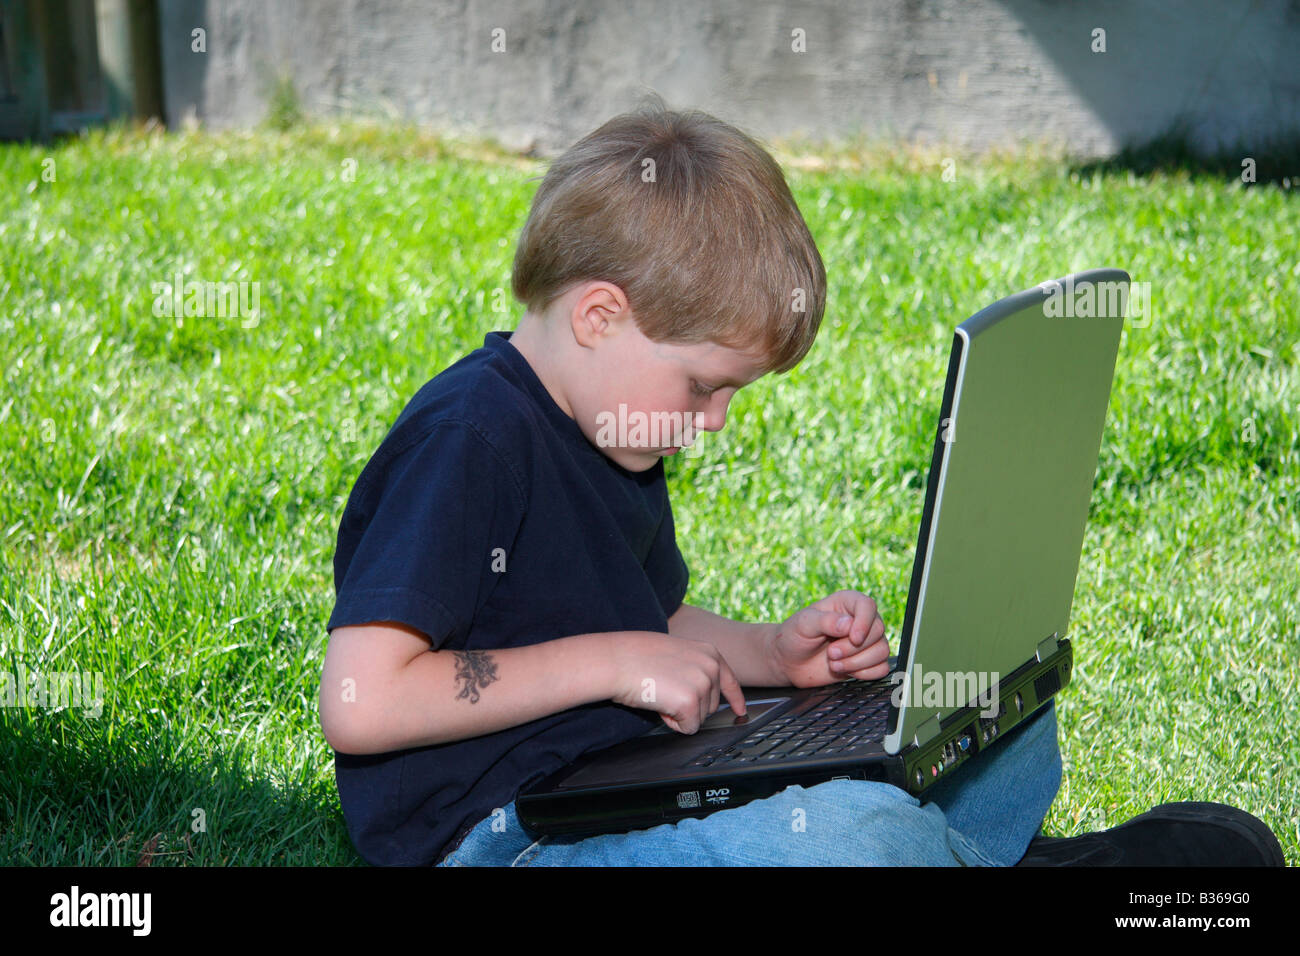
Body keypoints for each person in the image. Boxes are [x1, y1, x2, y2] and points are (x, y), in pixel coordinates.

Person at [318, 99, 1283, 868]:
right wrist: (611, 664)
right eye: (705, 385)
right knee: (846, 840)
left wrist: (777, 656)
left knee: (982, 703)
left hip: (624, 780)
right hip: (511, 843)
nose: (715, 420)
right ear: (600, 316)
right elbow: (364, 701)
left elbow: (656, 627)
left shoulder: (618, 433)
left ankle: (955, 853)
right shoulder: (471, 440)